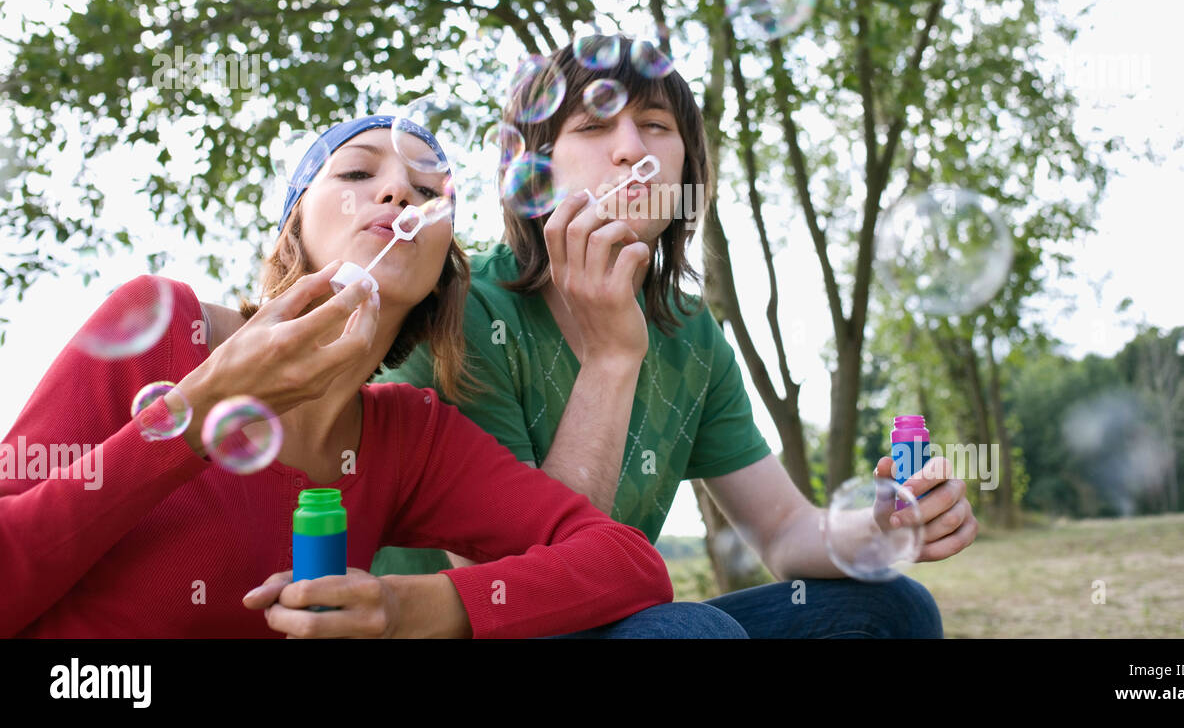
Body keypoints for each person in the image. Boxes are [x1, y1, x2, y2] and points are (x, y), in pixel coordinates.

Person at [373, 39, 978, 637]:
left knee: (893, 606)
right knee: (688, 632)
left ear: (688, 168)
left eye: (657, 125)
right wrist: (612, 357)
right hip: (483, 626)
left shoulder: (689, 333)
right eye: (593, 126)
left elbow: (786, 530)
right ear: (534, 169)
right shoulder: (461, 311)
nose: (632, 150)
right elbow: (516, 588)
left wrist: (882, 527)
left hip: (613, 622)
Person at [0, 115, 672, 638]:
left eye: (426, 189)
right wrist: (197, 408)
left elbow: (628, 564)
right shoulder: (163, 325)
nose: (396, 191)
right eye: (356, 173)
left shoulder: (409, 435)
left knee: (692, 629)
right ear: (295, 222)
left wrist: (406, 608)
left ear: (441, 271)